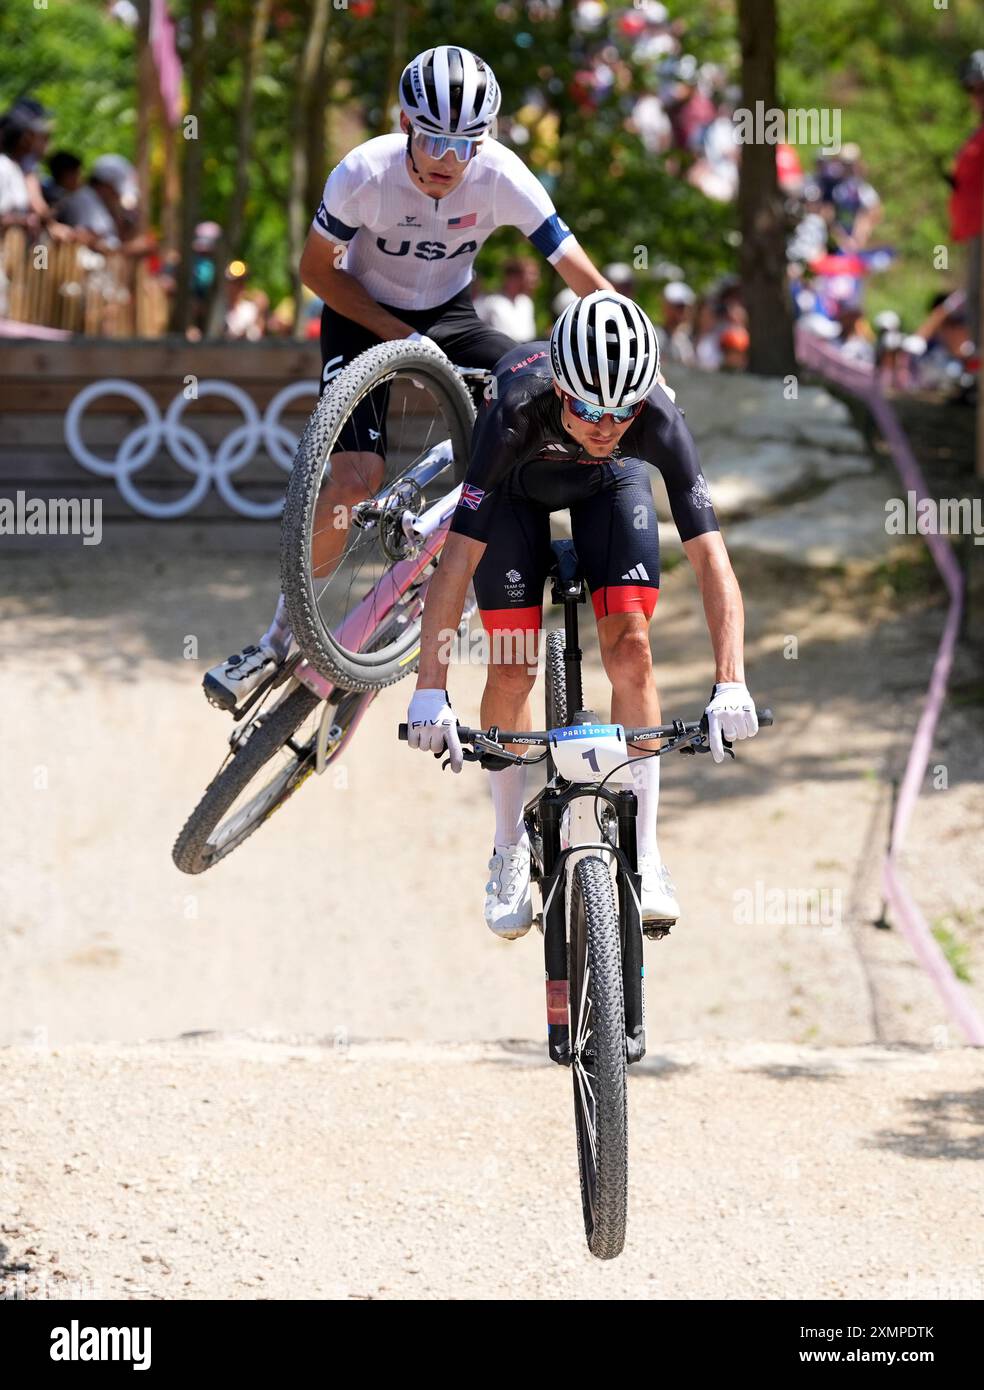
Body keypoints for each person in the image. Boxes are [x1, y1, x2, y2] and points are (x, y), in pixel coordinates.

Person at [203, 44, 614, 712]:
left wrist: (629, 352)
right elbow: (315, 272)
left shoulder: (502, 175)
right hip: (361, 311)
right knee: (354, 480)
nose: (448, 162)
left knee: (530, 387)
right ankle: (281, 634)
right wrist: (400, 336)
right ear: (404, 123)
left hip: (451, 313)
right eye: (433, 139)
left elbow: (584, 280)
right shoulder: (364, 171)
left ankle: (442, 546)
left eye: (464, 144)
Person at [405, 292, 759, 937]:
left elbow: (713, 564)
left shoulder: (656, 421)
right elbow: (455, 563)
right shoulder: (514, 413)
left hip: (610, 486)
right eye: (590, 408)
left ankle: (646, 850)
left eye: (622, 410)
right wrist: (431, 691)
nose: (605, 424)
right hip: (513, 493)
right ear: (562, 389)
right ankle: (509, 848)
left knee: (632, 650)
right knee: (513, 665)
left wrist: (730, 680)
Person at [949, 52, 984, 346]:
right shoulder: (978, 133)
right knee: (975, 301)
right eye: (973, 90)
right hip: (975, 228)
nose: (977, 97)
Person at [476, 256, 538, 339]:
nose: (533, 281)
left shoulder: (526, 302)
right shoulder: (490, 301)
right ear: (512, 277)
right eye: (529, 275)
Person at [656, 279, 696, 365]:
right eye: (678, 307)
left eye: (685, 307)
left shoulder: (689, 336)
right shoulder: (656, 336)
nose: (683, 311)